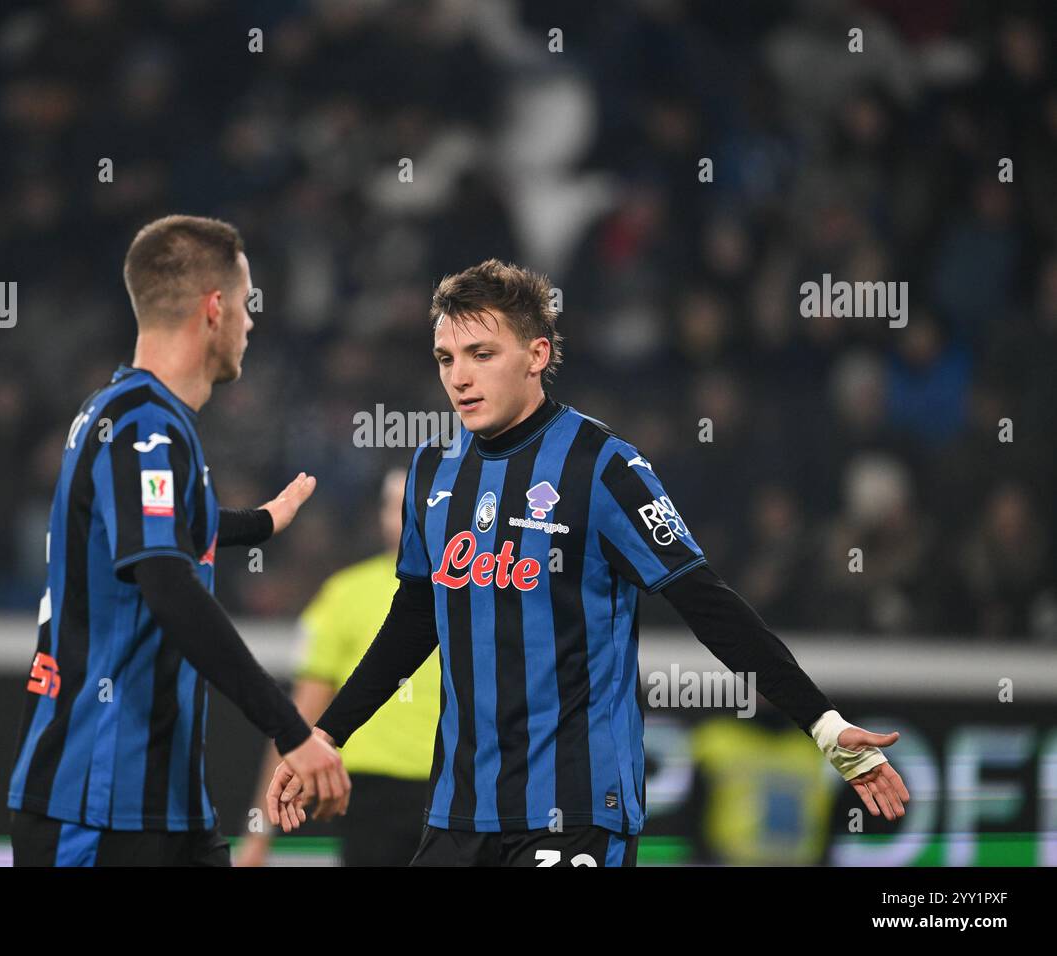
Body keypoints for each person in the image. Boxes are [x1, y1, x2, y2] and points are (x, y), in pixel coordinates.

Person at [268, 259, 909, 867]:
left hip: (576, 805)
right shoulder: (431, 473)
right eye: (446, 358)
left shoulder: (604, 466)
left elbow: (707, 603)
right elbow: (414, 621)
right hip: (460, 810)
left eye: (481, 354)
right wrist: (326, 734)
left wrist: (821, 723)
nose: (458, 377)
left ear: (537, 355)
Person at [7, 215, 349, 866]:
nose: (251, 323)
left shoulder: (121, 413)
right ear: (214, 309)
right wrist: (290, 730)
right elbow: (167, 582)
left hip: (163, 802)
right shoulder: (145, 428)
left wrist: (261, 522)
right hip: (98, 803)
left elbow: (154, 532)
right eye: (246, 305)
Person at [237, 469, 441, 867]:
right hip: (370, 793)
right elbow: (304, 714)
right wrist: (259, 833)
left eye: (418, 502)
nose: (404, 515)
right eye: (394, 504)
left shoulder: (481, 588)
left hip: (458, 787)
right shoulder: (344, 594)